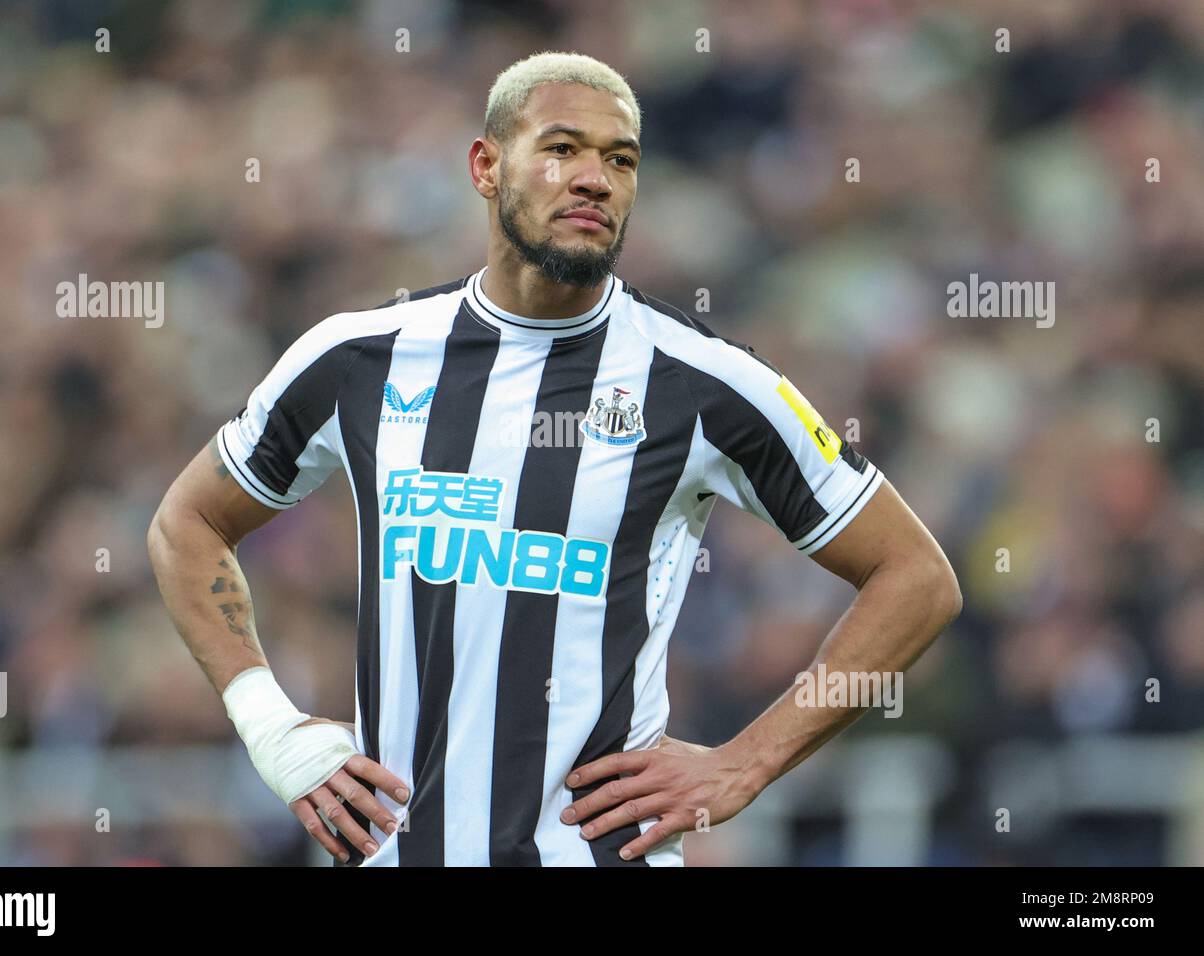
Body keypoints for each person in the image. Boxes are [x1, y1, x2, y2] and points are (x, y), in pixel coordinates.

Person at [147, 50, 961, 867]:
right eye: (562, 148)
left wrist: (746, 764)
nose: (595, 180)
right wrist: (269, 728)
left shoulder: (701, 383)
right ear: (486, 166)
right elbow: (188, 522)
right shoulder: (361, 359)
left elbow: (916, 577)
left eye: (620, 160)